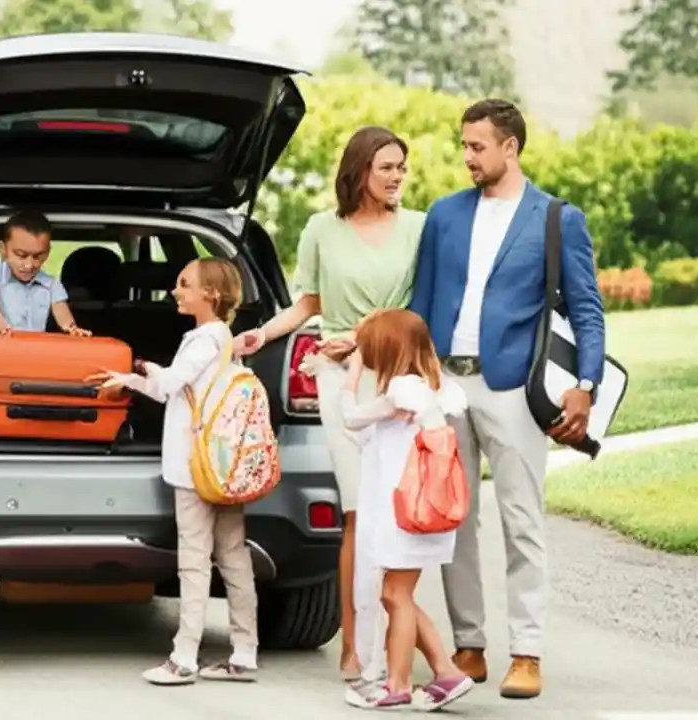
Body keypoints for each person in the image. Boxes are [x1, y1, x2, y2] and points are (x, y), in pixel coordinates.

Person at [407, 99, 606, 699]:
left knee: (521, 519)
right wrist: (415, 379)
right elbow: (421, 304)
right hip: (446, 386)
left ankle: (527, 651)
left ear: (510, 147)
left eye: (477, 146)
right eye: (464, 145)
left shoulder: (556, 219)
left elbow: (587, 309)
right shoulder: (443, 215)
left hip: (514, 388)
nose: (467, 157)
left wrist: (586, 384)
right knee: (454, 519)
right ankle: (468, 645)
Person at [233, 126, 425, 683]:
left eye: (401, 167)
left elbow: (419, 307)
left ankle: (394, 637)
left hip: (398, 379)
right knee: (356, 512)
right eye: (387, 167)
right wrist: (261, 335)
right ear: (359, 170)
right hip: (340, 381)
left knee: (395, 513)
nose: (397, 177)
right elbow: (308, 305)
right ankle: (352, 643)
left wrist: (360, 337)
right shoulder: (322, 228)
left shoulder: (419, 228)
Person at [90, 258, 259, 686]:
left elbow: (168, 384)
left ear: (210, 294)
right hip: (222, 466)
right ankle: (244, 653)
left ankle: (184, 657)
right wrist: (129, 379)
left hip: (193, 468)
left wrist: (144, 369)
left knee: (194, 560)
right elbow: (177, 391)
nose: (175, 291)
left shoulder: (202, 339)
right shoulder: (223, 339)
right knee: (234, 556)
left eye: (185, 284)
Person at [337, 309, 474, 712]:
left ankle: (397, 684)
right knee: (399, 594)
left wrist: (352, 375)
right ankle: (446, 672)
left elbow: (351, 418)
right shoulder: (432, 387)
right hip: (422, 509)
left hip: (405, 512)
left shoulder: (403, 389)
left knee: (395, 595)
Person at [0, 210, 90, 336]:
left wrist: (71, 328)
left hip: (32, 346)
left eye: (37, 256)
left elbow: (60, 309)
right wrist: (1, 326)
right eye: (21, 255)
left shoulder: (51, 284)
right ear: (3, 250)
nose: (29, 265)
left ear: (47, 252)